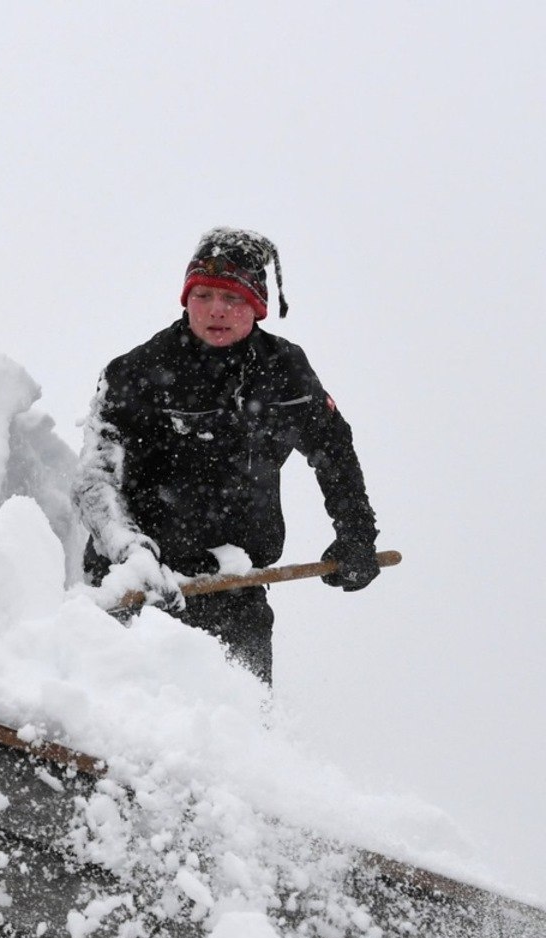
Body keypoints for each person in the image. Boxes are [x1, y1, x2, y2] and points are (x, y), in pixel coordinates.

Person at [74, 227, 380, 681]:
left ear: (257, 307)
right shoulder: (135, 373)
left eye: (233, 298)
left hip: (237, 587)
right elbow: (95, 480)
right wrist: (129, 553)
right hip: (138, 589)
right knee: (125, 726)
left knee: (243, 728)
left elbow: (333, 447)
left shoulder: (285, 372)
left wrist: (356, 533)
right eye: (203, 294)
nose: (216, 309)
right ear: (186, 299)